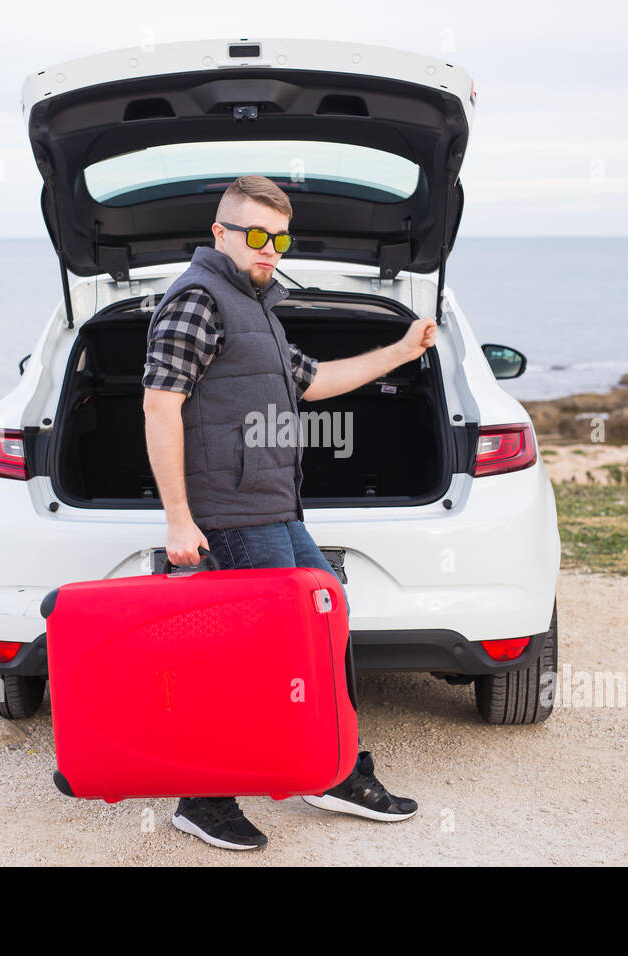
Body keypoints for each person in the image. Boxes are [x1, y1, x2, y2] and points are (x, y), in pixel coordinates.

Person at [141, 174, 435, 850]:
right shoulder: (196, 301)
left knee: (326, 621)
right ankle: (205, 799)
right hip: (230, 516)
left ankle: (330, 769)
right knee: (258, 656)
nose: (269, 248)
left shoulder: (258, 309)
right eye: (255, 235)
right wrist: (179, 519)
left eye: (279, 238)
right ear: (220, 233)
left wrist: (400, 350)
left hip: (276, 509)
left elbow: (317, 382)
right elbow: (160, 407)